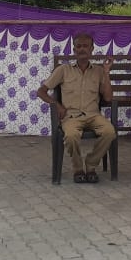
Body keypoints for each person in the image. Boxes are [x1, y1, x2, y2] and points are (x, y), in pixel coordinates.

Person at [36, 32, 116, 184]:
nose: (82, 49)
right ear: (74, 50)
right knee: (71, 135)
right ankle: (78, 168)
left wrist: (106, 72)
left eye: (86, 46)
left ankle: (91, 165)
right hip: (71, 116)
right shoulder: (63, 70)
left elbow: (108, 98)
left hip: (93, 115)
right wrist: (56, 104)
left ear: (92, 49)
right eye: (78, 46)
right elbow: (41, 91)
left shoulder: (99, 71)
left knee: (109, 132)